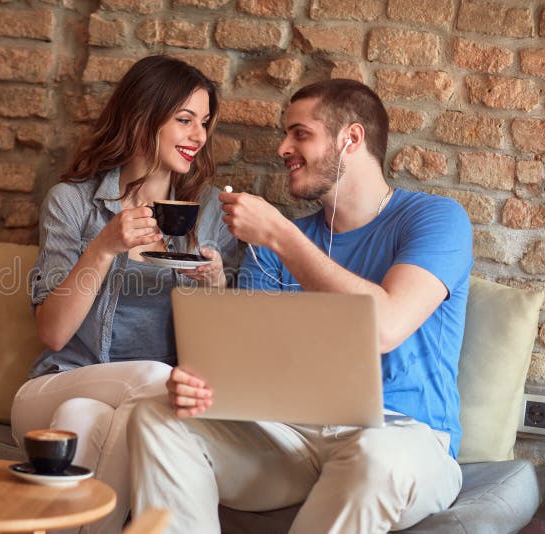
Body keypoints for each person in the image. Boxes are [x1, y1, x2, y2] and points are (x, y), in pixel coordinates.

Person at [128, 79, 473, 533]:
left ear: (351, 139)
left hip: (403, 436)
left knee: (375, 457)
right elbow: (244, 362)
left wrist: (280, 235)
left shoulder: (435, 219)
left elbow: (386, 326)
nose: (283, 147)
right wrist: (203, 386)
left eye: (300, 133)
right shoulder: (269, 248)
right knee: (155, 415)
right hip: (291, 437)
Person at [11, 55, 238, 533]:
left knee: (84, 418)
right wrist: (103, 248)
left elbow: (220, 350)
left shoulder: (211, 211)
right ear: (141, 118)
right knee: (152, 379)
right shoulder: (72, 202)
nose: (198, 135)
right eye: (183, 119)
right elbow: (53, 333)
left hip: (132, 412)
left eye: (204, 122)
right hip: (57, 383)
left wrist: (216, 288)